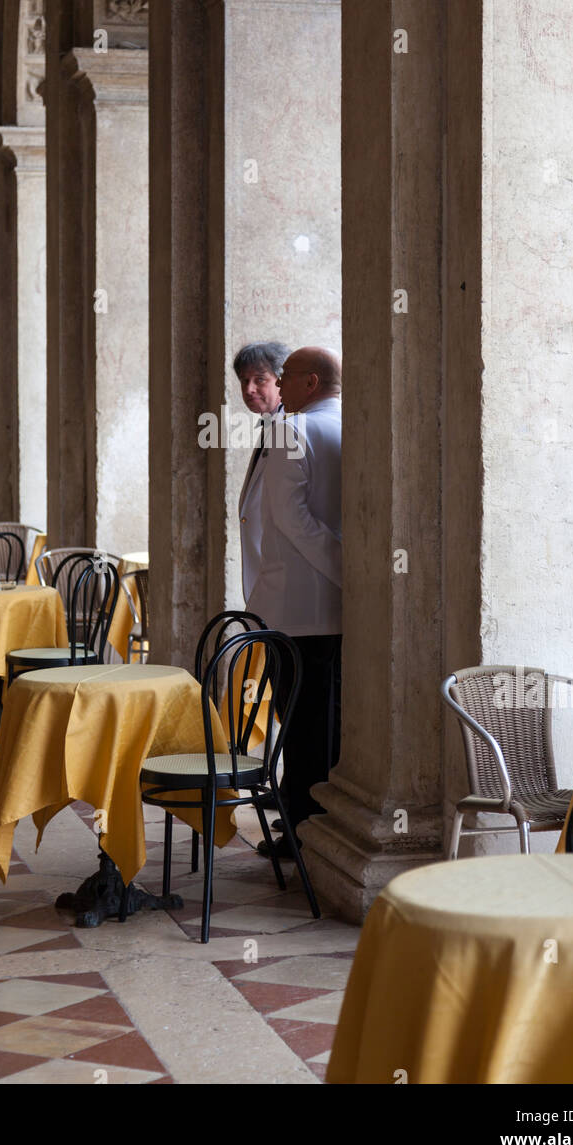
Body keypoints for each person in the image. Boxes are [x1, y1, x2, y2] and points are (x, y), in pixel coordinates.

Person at [246, 346, 342, 858]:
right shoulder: (351, 426)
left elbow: (291, 519)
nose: (278, 388)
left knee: (302, 724)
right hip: (333, 605)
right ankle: (311, 822)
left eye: (285, 377)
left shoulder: (295, 429)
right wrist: (351, 577)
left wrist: (340, 570)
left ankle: (302, 828)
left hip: (298, 602)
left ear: (310, 382)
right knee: (324, 721)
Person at [233, 341, 291, 603]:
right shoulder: (269, 426)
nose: (249, 389)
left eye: (259, 379)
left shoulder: (292, 429)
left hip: (286, 579)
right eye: (244, 380)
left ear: (281, 381)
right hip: (267, 578)